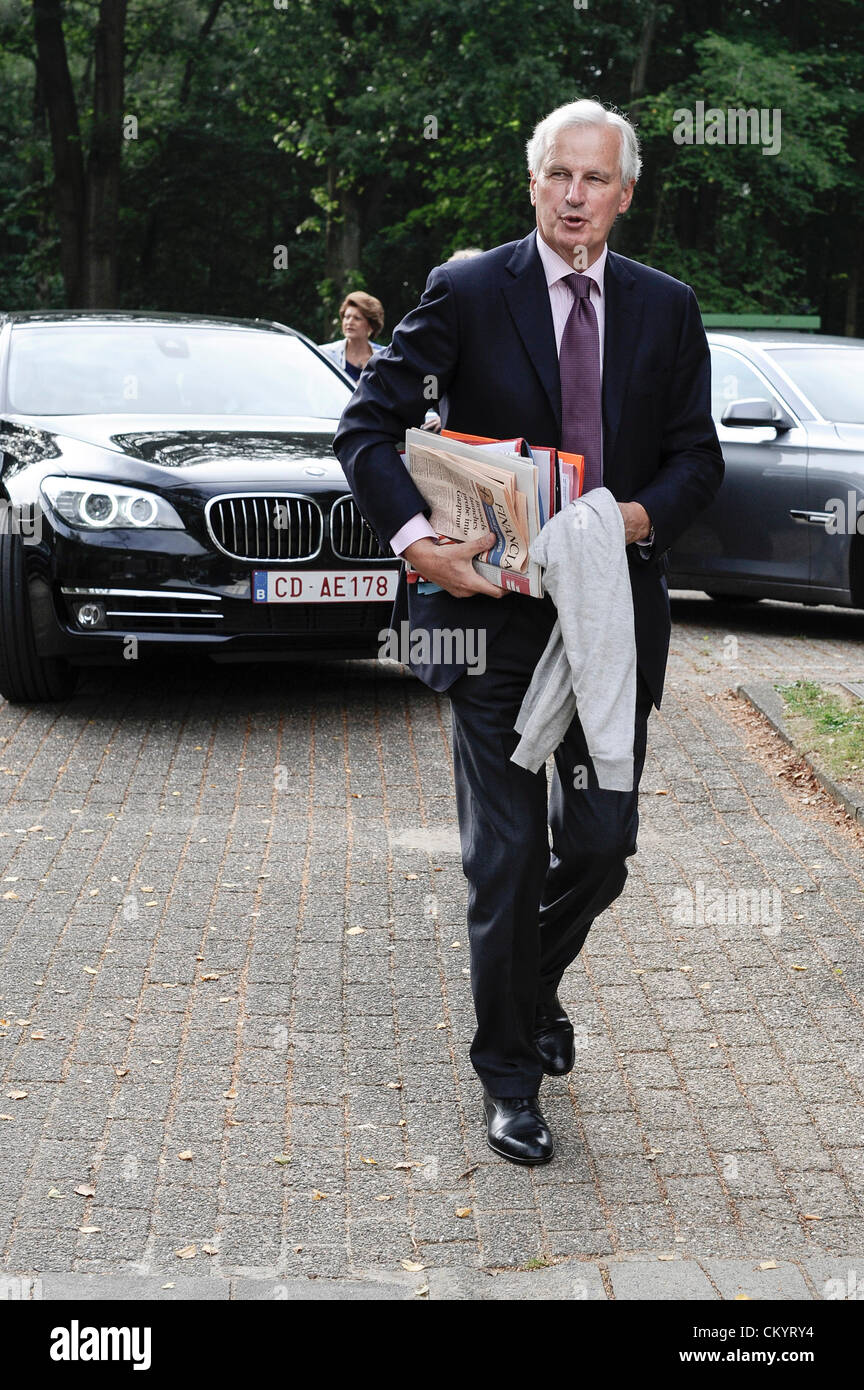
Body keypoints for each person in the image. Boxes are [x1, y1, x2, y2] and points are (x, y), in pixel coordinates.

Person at [333, 99, 724, 1166]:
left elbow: (699, 459)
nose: (575, 196)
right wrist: (419, 544)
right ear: (534, 180)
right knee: (505, 860)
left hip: (606, 623)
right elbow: (368, 426)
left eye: (596, 180)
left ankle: (529, 985)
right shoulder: (467, 290)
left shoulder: (666, 308)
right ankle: (509, 1070)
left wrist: (632, 519)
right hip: (480, 619)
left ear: (625, 194)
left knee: (600, 850)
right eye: (559, 174)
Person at [319, 291, 385, 382]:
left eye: (357, 318)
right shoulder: (325, 354)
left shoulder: (384, 357)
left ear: (371, 326)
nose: (349, 322)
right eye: (346, 317)